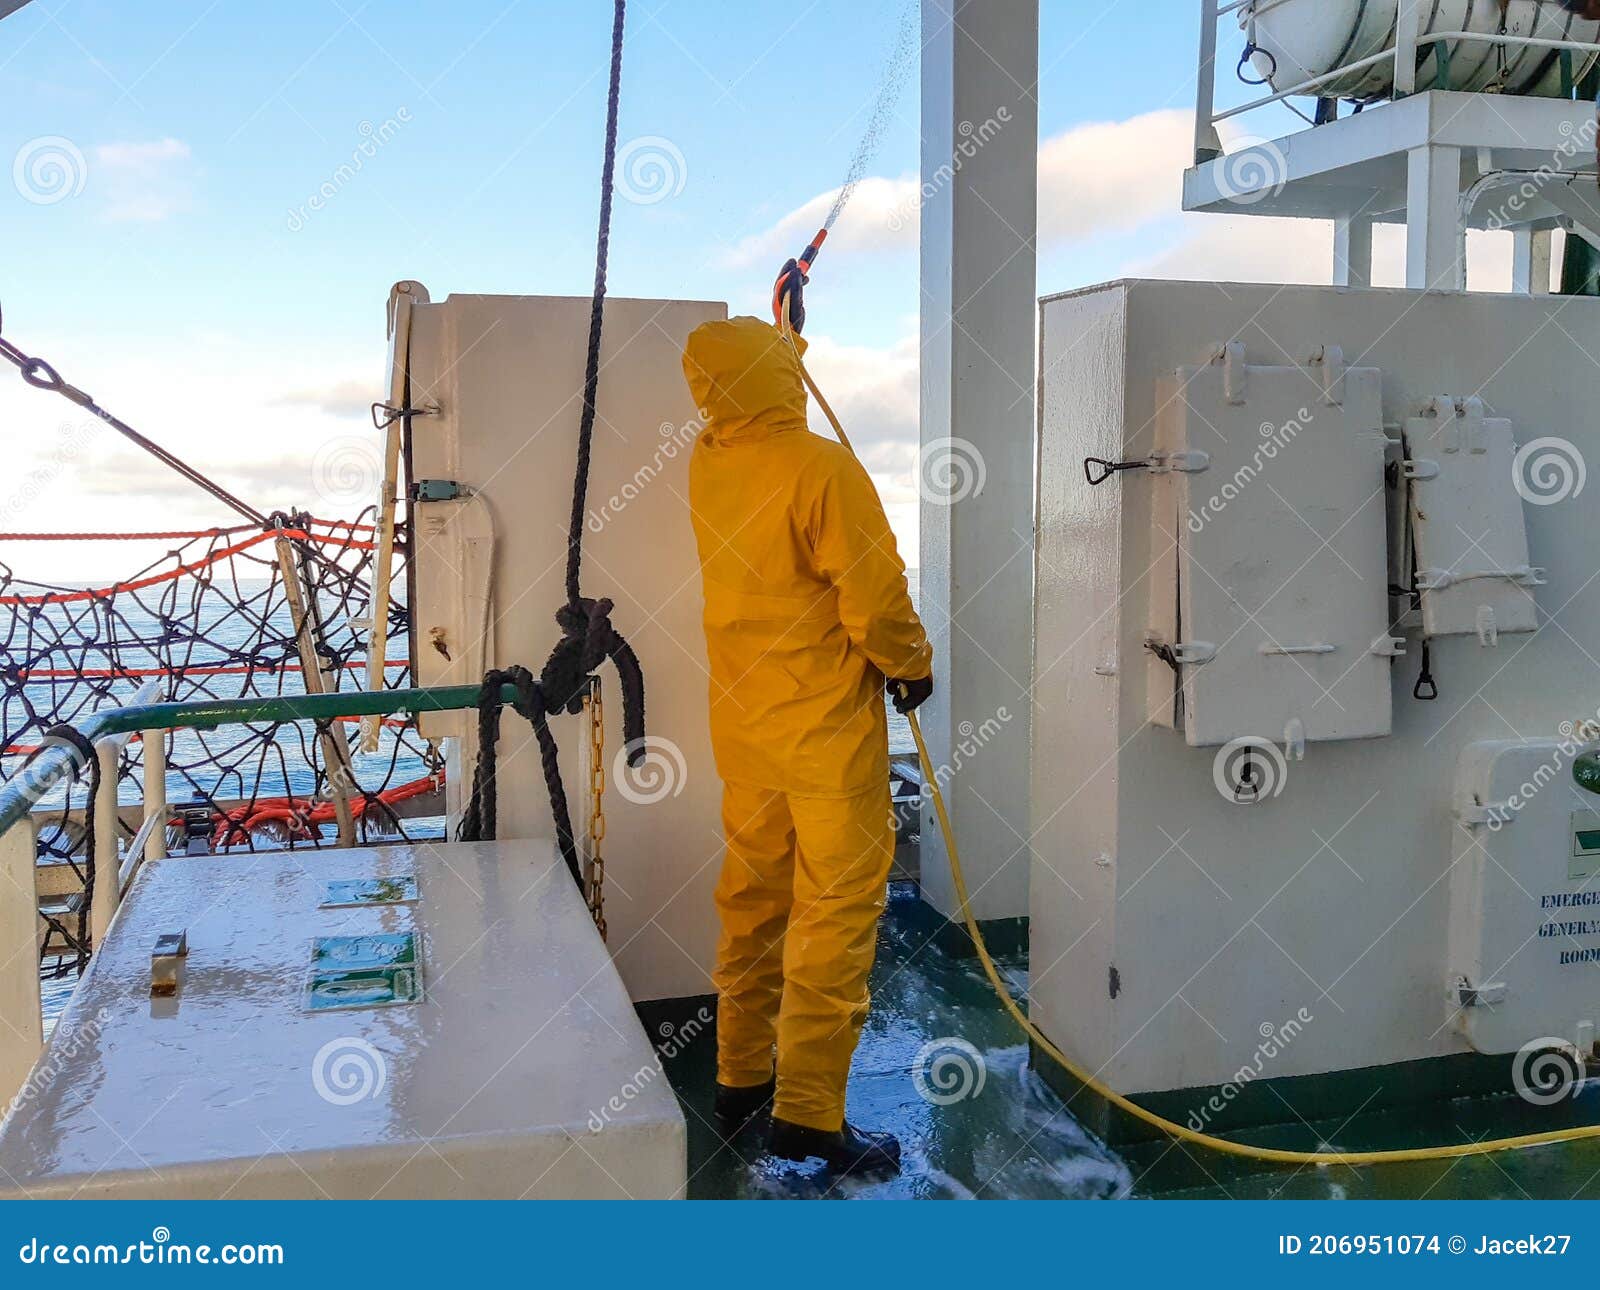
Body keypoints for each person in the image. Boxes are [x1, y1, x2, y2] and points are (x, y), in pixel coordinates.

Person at [681, 315, 933, 1176]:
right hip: (825, 738)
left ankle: (741, 1080)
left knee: (752, 904)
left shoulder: (711, 463)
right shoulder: (822, 468)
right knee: (835, 912)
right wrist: (912, 666)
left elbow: (754, 393)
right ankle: (811, 1115)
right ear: (775, 378)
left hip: (747, 737)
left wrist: (789, 336)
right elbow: (874, 596)